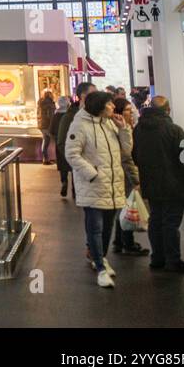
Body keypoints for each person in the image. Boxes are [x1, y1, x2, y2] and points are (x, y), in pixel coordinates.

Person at [65, 90, 132, 288]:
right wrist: (93, 174)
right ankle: (101, 269)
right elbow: (71, 153)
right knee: (95, 227)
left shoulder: (111, 123)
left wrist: (124, 129)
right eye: (110, 104)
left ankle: (100, 258)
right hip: (93, 185)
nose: (113, 107)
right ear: (100, 107)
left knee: (108, 226)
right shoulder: (80, 125)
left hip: (112, 184)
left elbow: (126, 151)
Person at [132, 95, 184, 273]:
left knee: (156, 219)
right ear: (167, 110)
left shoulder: (138, 129)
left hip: (151, 184)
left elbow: (135, 156)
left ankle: (157, 258)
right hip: (173, 185)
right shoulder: (176, 130)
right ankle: (173, 260)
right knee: (170, 223)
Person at [112, 93, 148, 257]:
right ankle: (127, 242)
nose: (131, 113)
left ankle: (120, 242)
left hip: (121, 173)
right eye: (127, 110)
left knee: (123, 208)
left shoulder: (124, 128)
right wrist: (136, 179)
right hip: (124, 174)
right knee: (127, 208)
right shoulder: (121, 130)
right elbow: (126, 157)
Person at [56, 83, 93, 198]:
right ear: (83, 96)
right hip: (85, 171)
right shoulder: (70, 117)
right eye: (93, 94)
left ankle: (67, 184)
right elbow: (62, 142)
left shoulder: (96, 116)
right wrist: (83, 166)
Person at [37, 90, 57, 164]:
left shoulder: (40, 103)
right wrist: (53, 125)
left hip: (41, 125)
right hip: (48, 125)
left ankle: (45, 159)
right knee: (57, 141)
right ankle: (58, 158)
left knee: (45, 141)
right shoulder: (50, 104)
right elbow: (51, 116)